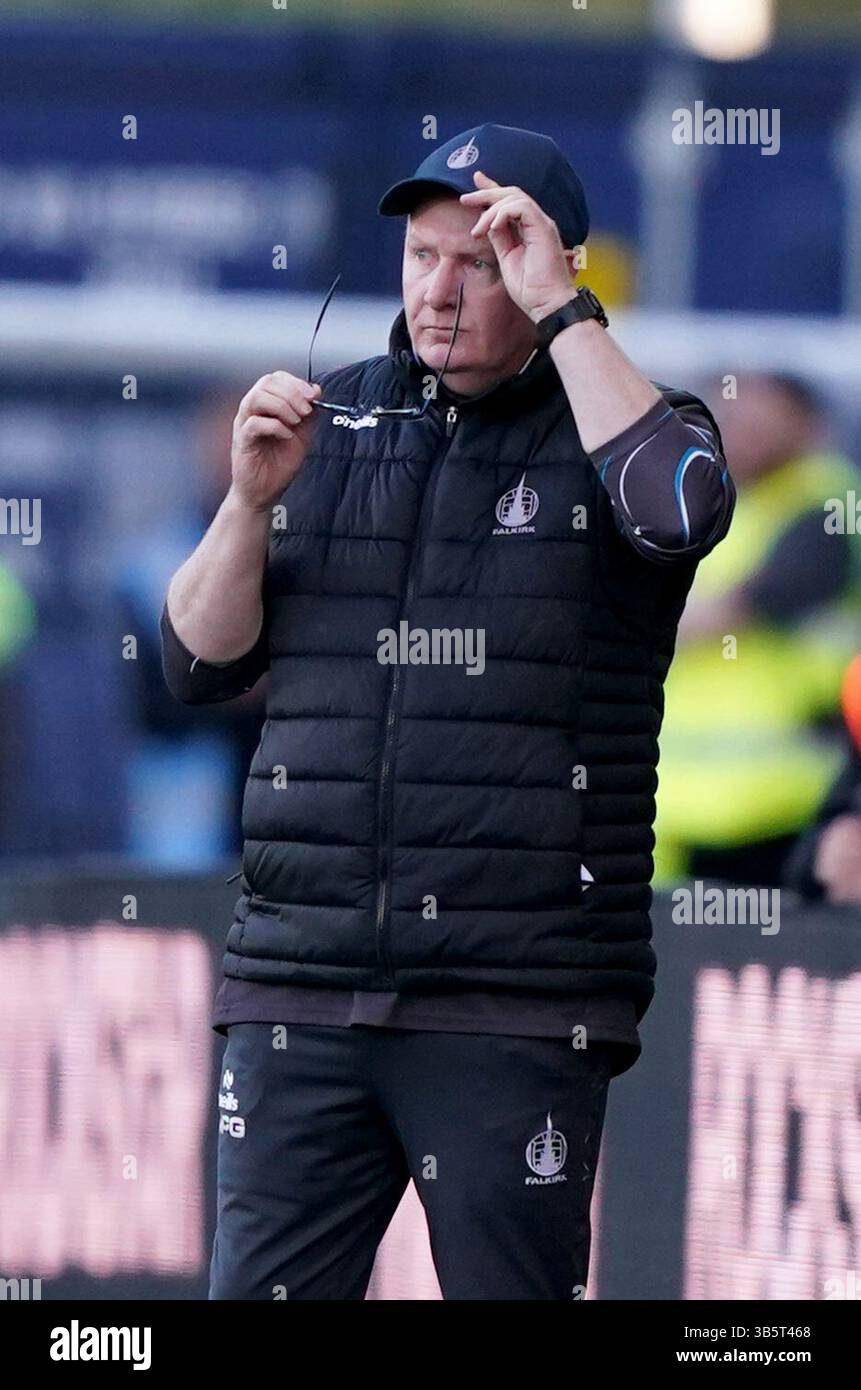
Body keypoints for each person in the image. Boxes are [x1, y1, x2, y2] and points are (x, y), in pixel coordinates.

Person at [161, 124, 735, 1300]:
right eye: (423, 256)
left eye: (481, 258)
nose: (441, 287)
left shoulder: (626, 424)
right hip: (299, 984)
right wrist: (245, 505)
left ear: (550, 265)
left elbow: (682, 511)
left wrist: (568, 317)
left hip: (514, 997)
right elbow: (192, 663)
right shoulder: (329, 422)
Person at [652, 373, 861, 888]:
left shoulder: (824, 503)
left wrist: (627, 622)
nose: (743, 432)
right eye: (733, 417)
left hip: (786, 807)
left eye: (762, 420)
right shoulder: (721, 504)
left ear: (807, 426)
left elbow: (746, 607)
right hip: (683, 809)